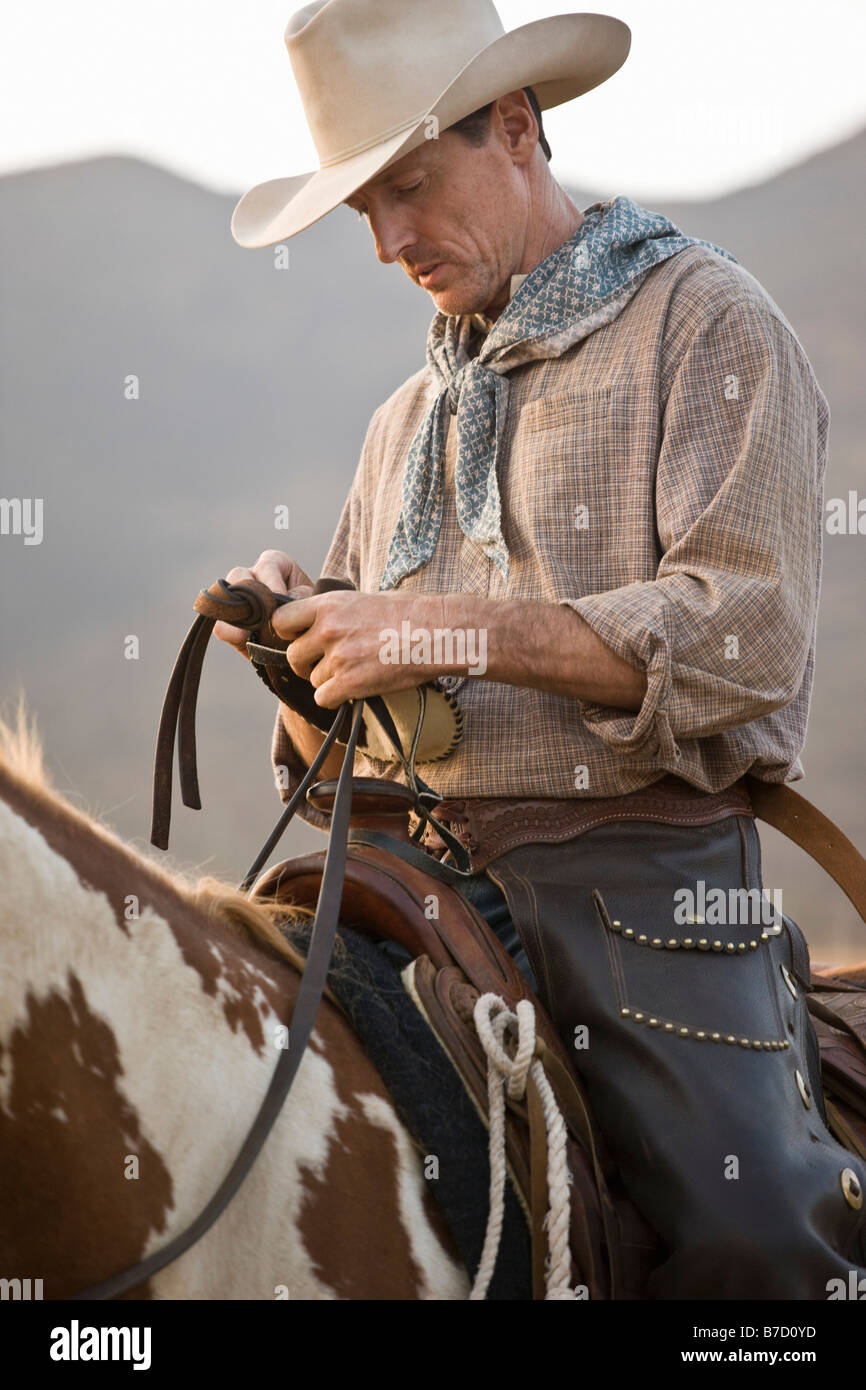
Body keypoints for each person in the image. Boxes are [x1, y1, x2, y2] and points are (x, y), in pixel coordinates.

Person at [216, 0, 866, 1298]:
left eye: (410, 184)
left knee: (750, 1252)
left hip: (642, 886)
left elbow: (745, 640)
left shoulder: (704, 325)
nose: (392, 241)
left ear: (516, 126)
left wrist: (435, 626)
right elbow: (317, 759)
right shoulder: (403, 419)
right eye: (364, 213)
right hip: (404, 882)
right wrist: (301, 659)